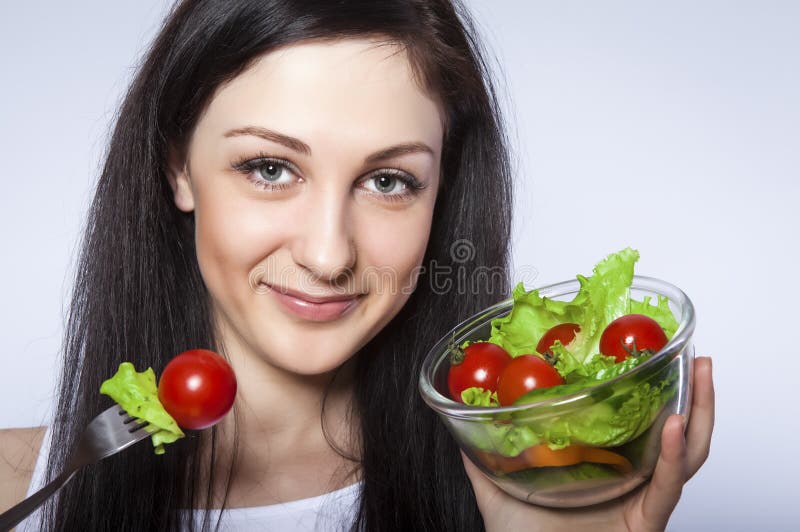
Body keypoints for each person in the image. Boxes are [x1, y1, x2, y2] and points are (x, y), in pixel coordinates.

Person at [0, 0, 714, 530]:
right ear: (179, 167)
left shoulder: (514, 494)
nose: (328, 254)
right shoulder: (18, 487)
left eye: (388, 182)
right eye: (270, 167)